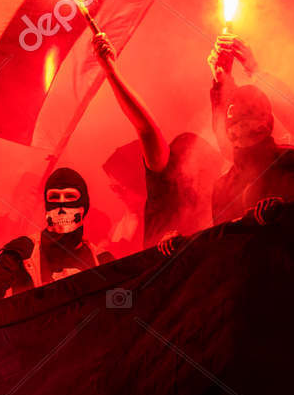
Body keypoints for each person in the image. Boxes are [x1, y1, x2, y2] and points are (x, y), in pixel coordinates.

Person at [93, 32, 218, 248]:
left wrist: (222, 80)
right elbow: (146, 130)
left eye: (120, 186)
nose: (116, 193)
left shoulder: (223, 200)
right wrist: (111, 72)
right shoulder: (164, 203)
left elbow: (148, 131)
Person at [0, 167, 115, 327]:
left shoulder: (102, 258)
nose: (61, 204)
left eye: (70, 196)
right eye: (54, 197)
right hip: (36, 342)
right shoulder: (24, 250)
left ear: (83, 205)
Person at [209, 80, 294, 224]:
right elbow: (221, 241)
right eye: (235, 125)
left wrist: (284, 215)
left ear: (266, 124)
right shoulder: (222, 188)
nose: (241, 129)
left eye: (248, 122)